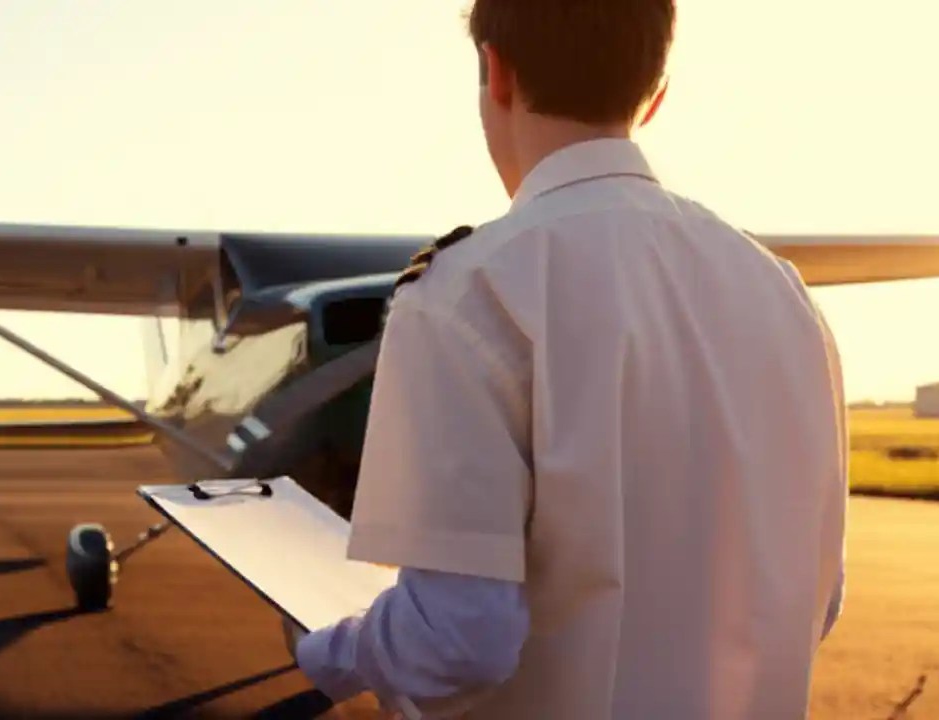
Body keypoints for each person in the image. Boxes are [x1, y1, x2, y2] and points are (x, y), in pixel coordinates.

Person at [289, 0, 849, 718]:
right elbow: (818, 601)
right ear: (657, 94)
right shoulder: (785, 294)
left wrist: (327, 648)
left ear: (495, 71)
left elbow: (461, 640)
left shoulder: (465, 291)